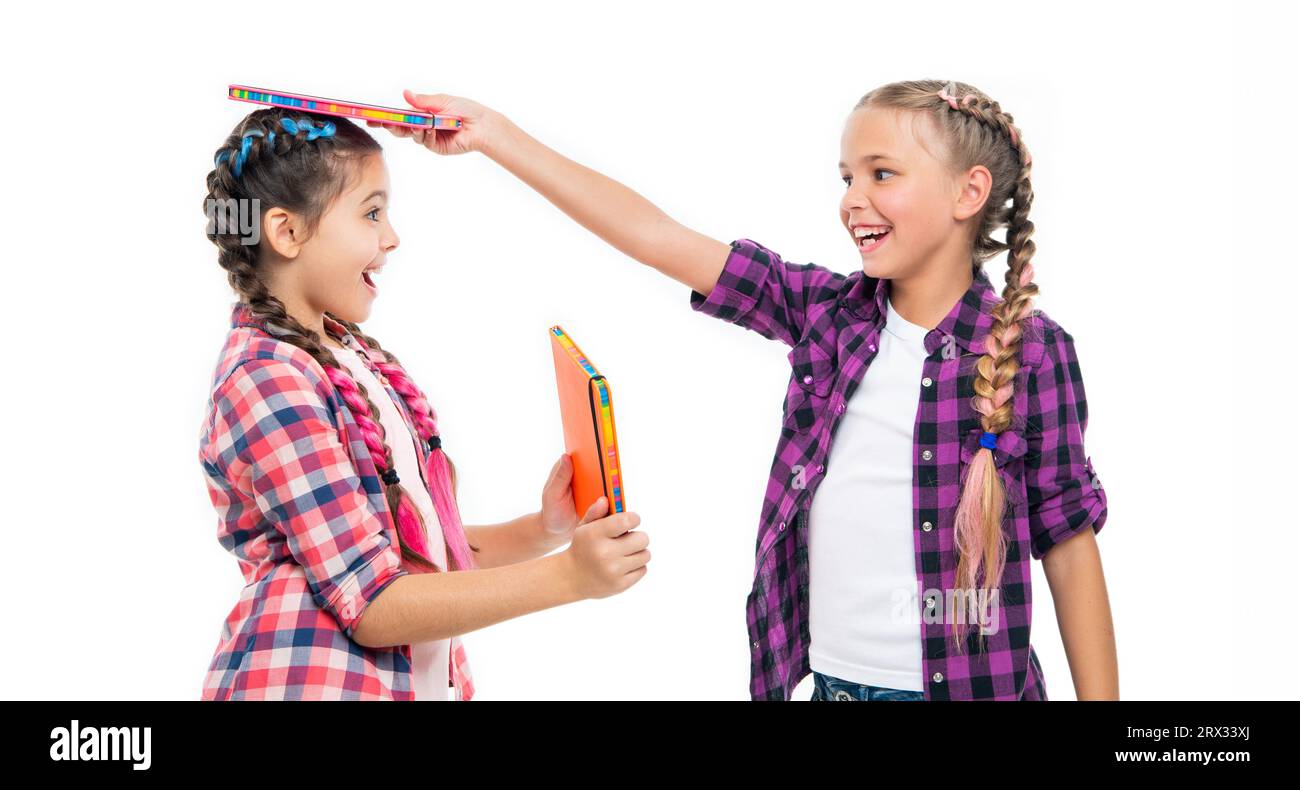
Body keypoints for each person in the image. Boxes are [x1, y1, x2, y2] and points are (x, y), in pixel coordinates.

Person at [367, 79, 1116, 701]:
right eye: (846, 177)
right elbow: (656, 236)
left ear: (968, 193)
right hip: (831, 687)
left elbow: (1069, 548)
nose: (853, 198)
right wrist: (496, 135)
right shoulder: (825, 316)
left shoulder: (1034, 353)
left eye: (881, 173)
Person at [199, 109, 649, 700]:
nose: (391, 237)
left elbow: (422, 555)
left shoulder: (344, 355)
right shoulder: (266, 380)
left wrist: (545, 529)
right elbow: (374, 600)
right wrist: (568, 578)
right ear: (287, 233)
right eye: (371, 213)